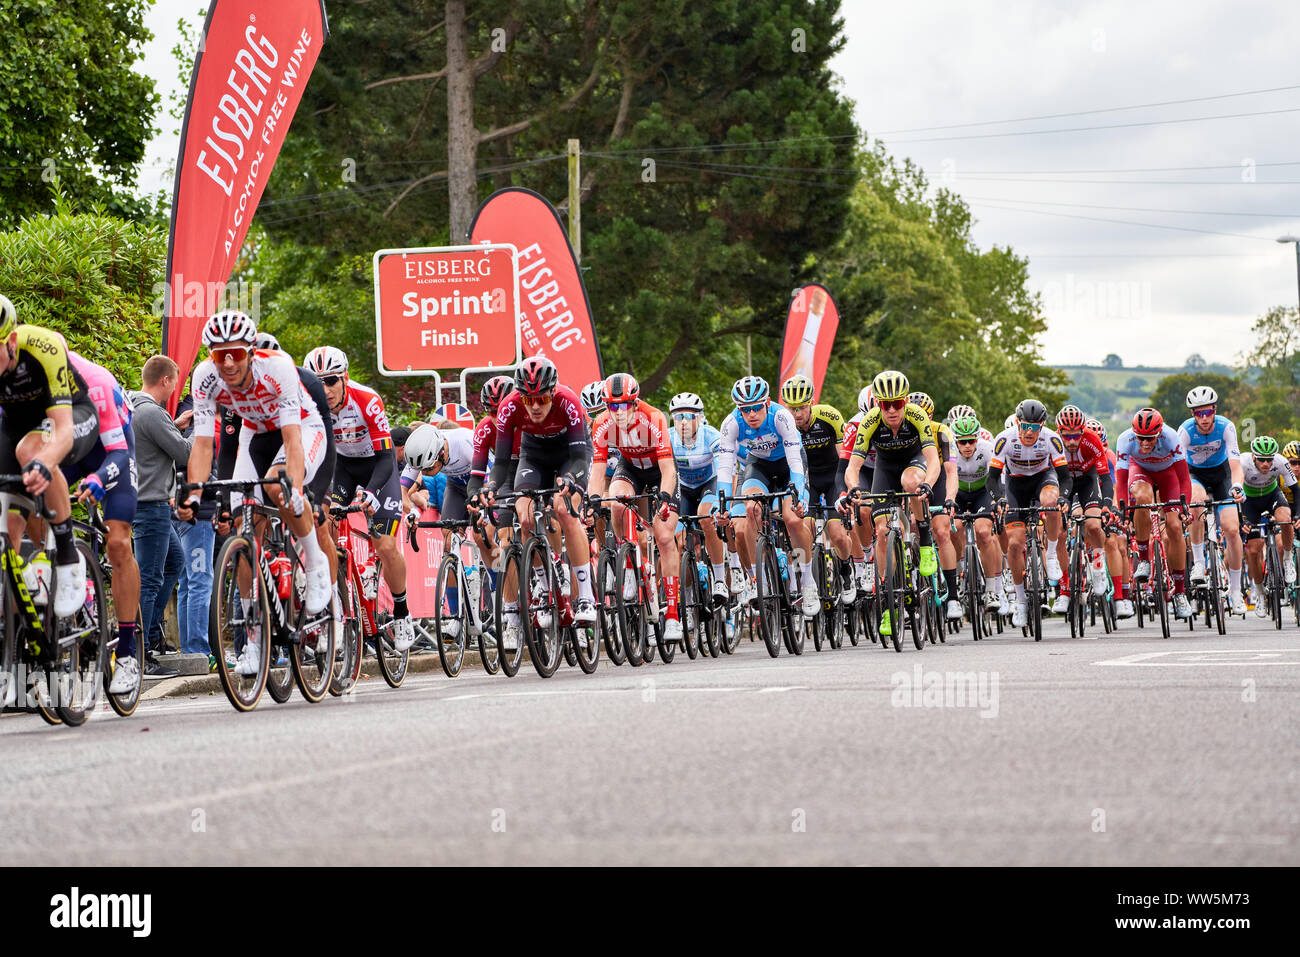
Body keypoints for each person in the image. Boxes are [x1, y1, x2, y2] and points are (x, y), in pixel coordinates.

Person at [177, 311, 334, 677]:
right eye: (219, 355)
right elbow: (203, 445)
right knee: (242, 527)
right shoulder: (205, 378)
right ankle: (255, 638)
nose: (228, 363)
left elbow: (293, 440)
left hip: (301, 429)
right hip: (255, 434)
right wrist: (195, 496)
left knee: (278, 485)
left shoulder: (277, 367)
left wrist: (294, 486)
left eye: (235, 353)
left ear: (250, 351)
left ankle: (315, 563)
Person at [304, 345, 415, 653]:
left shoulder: (367, 401)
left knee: (385, 544)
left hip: (377, 468)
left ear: (345, 378)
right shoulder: (310, 406)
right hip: (340, 469)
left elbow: (384, 458)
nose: (324, 389)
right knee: (319, 522)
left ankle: (402, 612)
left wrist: (369, 492)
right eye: (318, 382)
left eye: (331, 381)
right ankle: (332, 613)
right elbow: (317, 457)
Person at [1115, 407, 1194, 620]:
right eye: (1141, 438)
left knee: (1175, 527)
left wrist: (1184, 507)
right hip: (1140, 471)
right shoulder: (1125, 440)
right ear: (1134, 433)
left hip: (1169, 476)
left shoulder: (1171, 437)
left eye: (1150, 438)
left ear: (1159, 432)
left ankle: (1179, 592)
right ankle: (1144, 559)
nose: (1145, 443)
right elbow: (1121, 481)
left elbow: (1184, 479)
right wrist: (1122, 511)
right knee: (1141, 498)